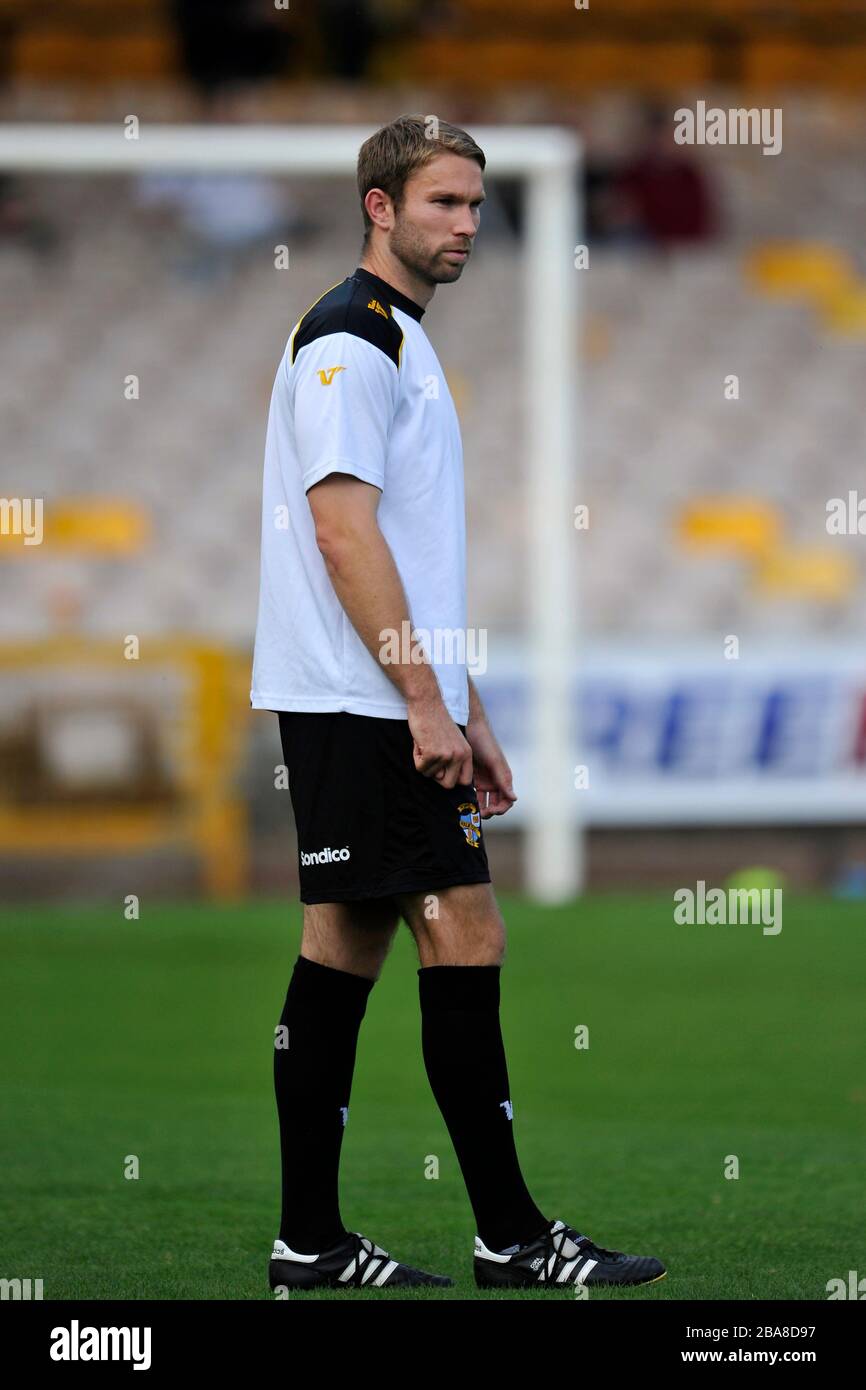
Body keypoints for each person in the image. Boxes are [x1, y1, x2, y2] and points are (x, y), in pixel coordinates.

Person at [250, 113, 666, 1293]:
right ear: (378, 206)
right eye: (444, 203)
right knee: (465, 928)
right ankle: (509, 1233)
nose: (467, 225)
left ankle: (309, 1241)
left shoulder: (402, 342)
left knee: (340, 944)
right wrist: (423, 704)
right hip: (362, 702)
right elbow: (341, 531)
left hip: (377, 697)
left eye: (477, 206)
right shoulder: (350, 339)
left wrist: (467, 707)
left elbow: (413, 559)